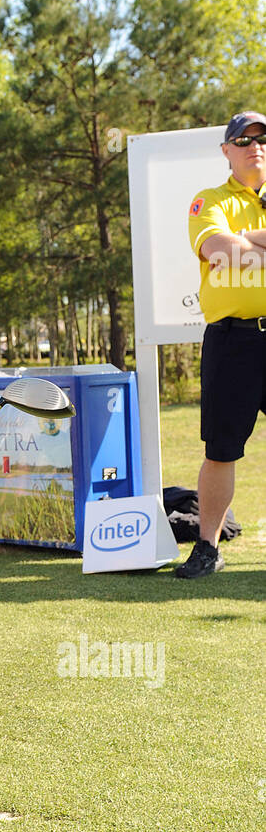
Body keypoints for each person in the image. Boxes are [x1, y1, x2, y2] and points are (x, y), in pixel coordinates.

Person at [178, 111, 266, 578]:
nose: (255, 146)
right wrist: (242, 243)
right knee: (222, 450)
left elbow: (238, 250)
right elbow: (219, 250)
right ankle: (207, 548)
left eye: (262, 139)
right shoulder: (209, 200)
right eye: (244, 139)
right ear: (227, 151)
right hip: (234, 341)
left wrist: (249, 239)